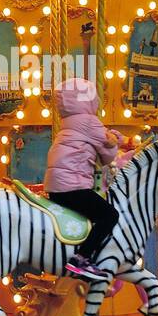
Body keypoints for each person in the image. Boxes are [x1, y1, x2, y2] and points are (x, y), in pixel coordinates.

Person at [44, 76, 120, 281]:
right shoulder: (88, 121)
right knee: (110, 215)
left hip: (56, 186)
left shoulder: (67, 121)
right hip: (72, 185)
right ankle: (81, 259)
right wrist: (116, 138)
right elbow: (107, 155)